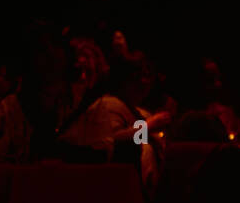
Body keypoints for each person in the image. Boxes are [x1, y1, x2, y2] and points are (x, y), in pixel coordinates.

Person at [58, 50, 171, 194]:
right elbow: (113, 141)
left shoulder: (139, 112)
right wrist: (147, 127)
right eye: (138, 76)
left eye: (148, 76)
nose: (145, 82)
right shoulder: (108, 105)